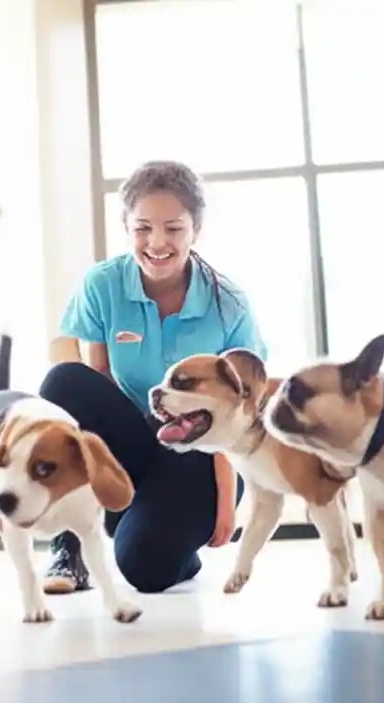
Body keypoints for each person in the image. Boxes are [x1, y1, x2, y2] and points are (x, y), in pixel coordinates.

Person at [37, 159, 268, 594]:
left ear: (195, 229)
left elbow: (241, 415)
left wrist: (226, 503)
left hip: (203, 453)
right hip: (138, 439)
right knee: (63, 383)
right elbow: (96, 380)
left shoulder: (229, 303)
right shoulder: (103, 284)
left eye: (174, 228)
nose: (157, 242)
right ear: (126, 227)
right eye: (143, 228)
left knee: (146, 569)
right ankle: (69, 545)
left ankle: (171, 542)